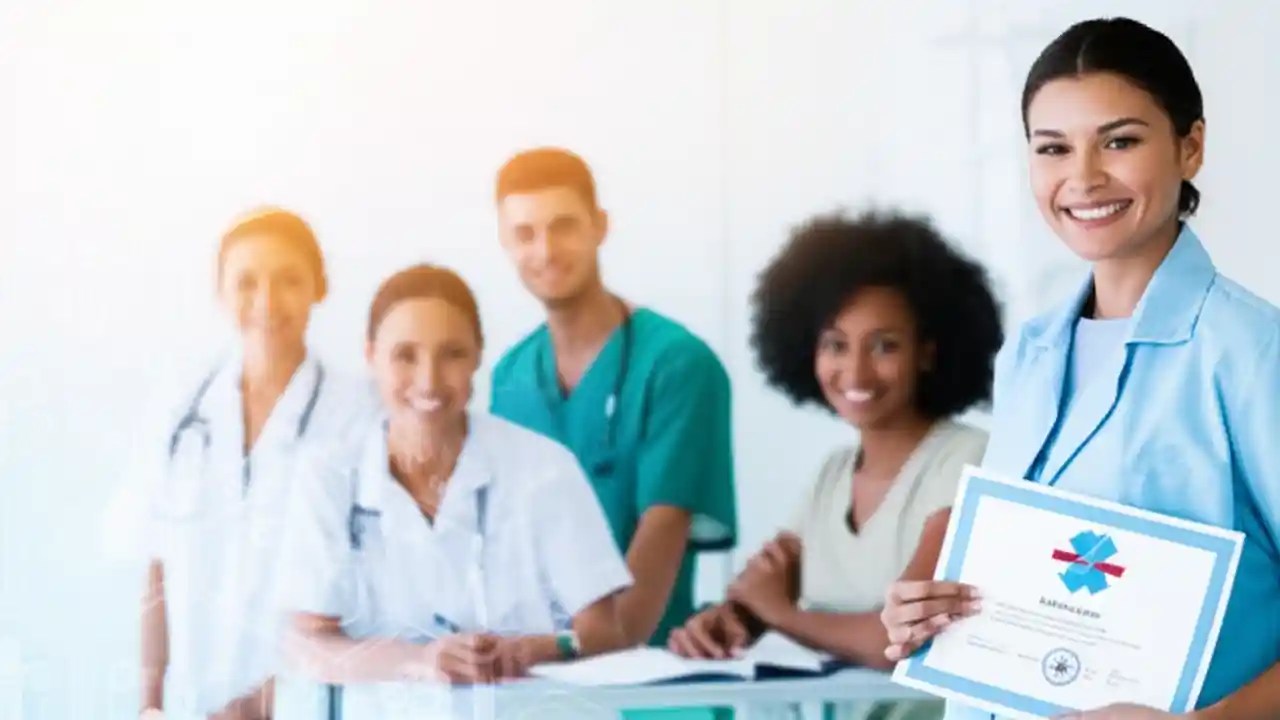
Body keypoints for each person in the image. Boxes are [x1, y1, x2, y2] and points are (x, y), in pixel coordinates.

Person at [879, 17, 1280, 720]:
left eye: (1119, 141)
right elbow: (1035, 549)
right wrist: (926, 599)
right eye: (1053, 149)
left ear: (1191, 146)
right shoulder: (1030, 354)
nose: (1083, 178)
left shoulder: (1251, 353)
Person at [669, 210, 1003, 720]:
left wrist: (778, 612)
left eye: (884, 345)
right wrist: (725, 622)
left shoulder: (965, 459)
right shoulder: (832, 473)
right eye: (835, 344)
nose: (856, 370)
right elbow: (762, 590)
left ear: (929, 352)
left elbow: (898, 638)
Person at [280, 264, 633, 718]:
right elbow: (309, 643)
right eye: (405, 355)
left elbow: (605, 634)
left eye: (452, 354)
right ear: (371, 356)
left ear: (478, 357)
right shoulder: (329, 474)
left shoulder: (543, 470)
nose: (428, 380)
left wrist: (537, 648)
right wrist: (418, 661)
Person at [488, 147, 737, 648]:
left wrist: (570, 648)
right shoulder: (509, 378)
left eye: (563, 226)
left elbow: (659, 542)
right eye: (524, 234)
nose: (545, 250)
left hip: (648, 678)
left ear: (599, 226)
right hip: (533, 681)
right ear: (504, 243)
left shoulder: (676, 365)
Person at [137, 207, 374, 720]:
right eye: (246, 281)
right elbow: (158, 567)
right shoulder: (184, 410)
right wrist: (150, 700)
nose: (267, 302)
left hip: (303, 703)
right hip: (191, 706)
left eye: (289, 279)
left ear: (320, 286)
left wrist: (270, 698)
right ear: (219, 291)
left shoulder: (360, 414)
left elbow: (374, 587)